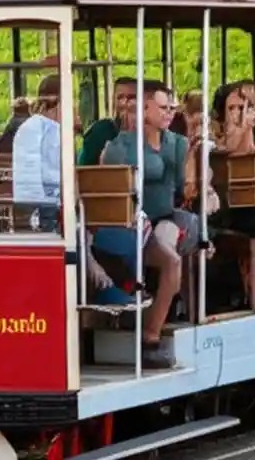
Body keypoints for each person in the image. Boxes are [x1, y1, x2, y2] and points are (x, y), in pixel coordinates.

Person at [101, 79, 208, 368]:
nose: (168, 113)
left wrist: (192, 161)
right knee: (162, 245)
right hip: (132, 222)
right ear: (144, 109)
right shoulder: (121, 145)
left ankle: (152, 330)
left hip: (166, 216)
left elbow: (182, 191)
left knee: (171, 237)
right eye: (162, 108)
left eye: (171, 108)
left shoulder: (176, 143)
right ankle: (148, 322)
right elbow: (108, 184)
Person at [12, 74, 63, 233]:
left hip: (23, 206)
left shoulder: (28, 126)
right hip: (47, 208)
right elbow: (59, 176)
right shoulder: (53, 130)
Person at [79, 77, 135, 166]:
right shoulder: (99, 130)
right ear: (113, 101)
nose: (124, 103)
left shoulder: (147, 130)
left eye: (131, 97)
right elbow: (86, 169)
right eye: (120, 97)